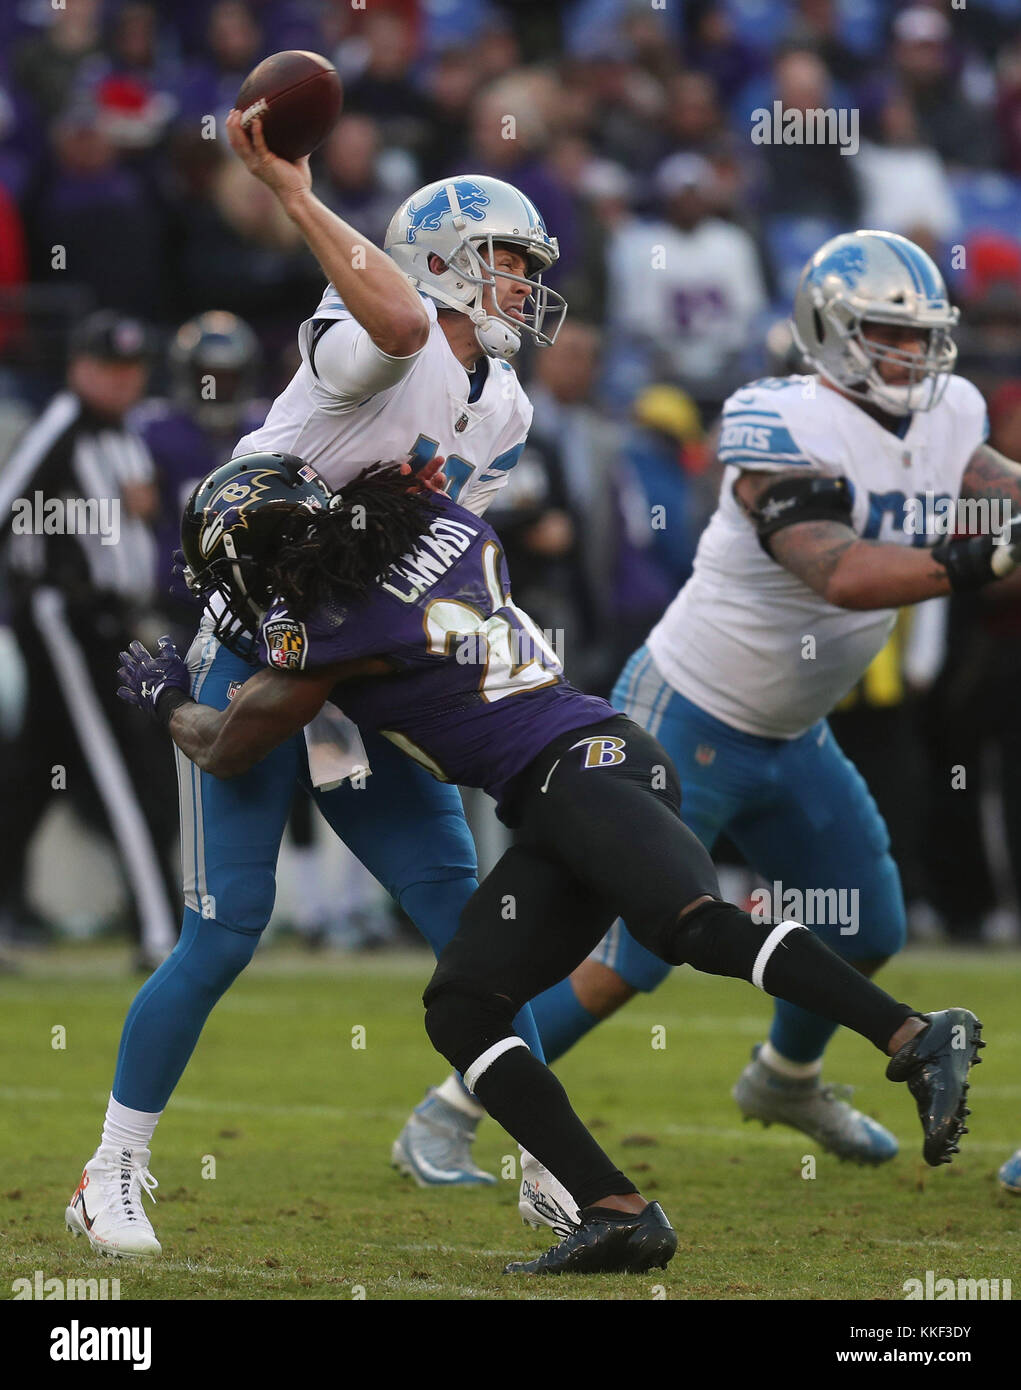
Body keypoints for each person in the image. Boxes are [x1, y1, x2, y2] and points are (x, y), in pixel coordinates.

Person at [107, 453, 985, 1275]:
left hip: (582, 765)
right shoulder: (441, 525)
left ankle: (910, 1033)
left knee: (690, 923)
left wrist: (168, 698)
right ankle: (613, 1208)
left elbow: (226, 748)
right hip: (566, 790)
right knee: (462, 1007)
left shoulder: (335, 631)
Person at [419, 229, 1021, 1229]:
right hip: (687, 712)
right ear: (829, 331)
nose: (910, 357)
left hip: (795, 727)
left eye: (921, 336)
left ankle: (784, 1078)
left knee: (865, 925)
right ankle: (446, 1112)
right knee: (633, 953)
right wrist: (986, 560)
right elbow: (839, 570)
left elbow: (986, 477)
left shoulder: (950, 407)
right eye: (885, 334)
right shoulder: (773, 415)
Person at [62, 104, 569, 1257]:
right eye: (505, 259)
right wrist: (293, 188)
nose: (524, 281)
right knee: (227, 926)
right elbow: (395, 318)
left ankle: (552, 1160)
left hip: (370, 661)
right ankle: (113, 1168)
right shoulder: (368, 319)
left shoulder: (511, 407)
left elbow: (437, 554)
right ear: (445, 259)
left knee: (471, 918)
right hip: (257, 634)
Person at [0, 310, 178, 966]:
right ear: (78, 369)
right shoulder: (60, 431)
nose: (120, 381)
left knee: (31, 778)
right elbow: (7, 506)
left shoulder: (127, 436)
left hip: (114, 621)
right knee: (121, 765)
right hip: (65, 620)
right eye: (107, 368)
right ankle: (161, 931)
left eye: (130, 369)